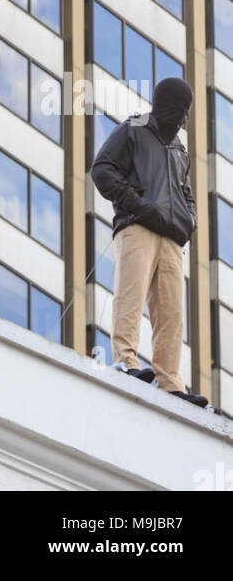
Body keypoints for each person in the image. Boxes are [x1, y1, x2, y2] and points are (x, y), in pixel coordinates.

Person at [91, 78, 208, 407]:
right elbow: (102, 169)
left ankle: (170, 381)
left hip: (172, 236)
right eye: (180, 108)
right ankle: (125, 361)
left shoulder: (179, 149)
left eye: (187, 110)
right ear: (166, 104)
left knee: (171, 313)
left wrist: (189, 220)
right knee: (131, 293)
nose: (184, 118)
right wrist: (136, 204)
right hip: (138, 226)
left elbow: (185, 191)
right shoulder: (134, 128)